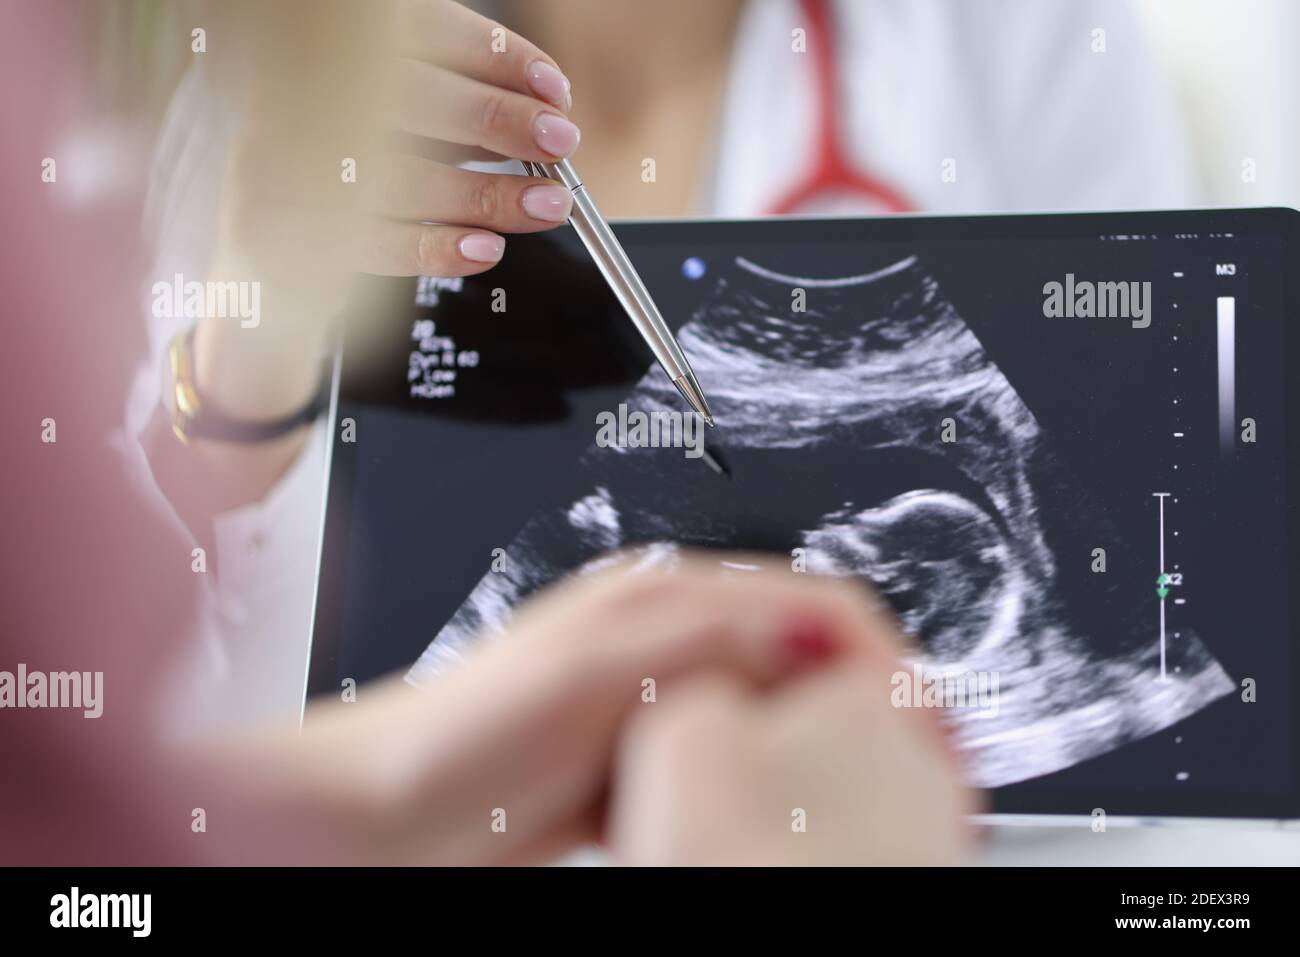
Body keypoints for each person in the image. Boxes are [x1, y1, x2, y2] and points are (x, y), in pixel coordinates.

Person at [106, 0, 1197, 862]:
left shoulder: (1019, 29)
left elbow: (1170, 588)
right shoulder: (273, 71)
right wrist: (255, 338)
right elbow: (139, 731)